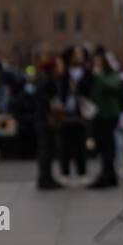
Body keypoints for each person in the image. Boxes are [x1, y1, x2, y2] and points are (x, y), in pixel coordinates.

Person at [87, 48, 122, 189]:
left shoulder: (110, 74)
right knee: (102, 146)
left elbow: (113, 86)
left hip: (109, 115)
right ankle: (108, 173)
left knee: (107, 145)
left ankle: (108, 175)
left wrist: (99, 76)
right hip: (98, 114)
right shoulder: (93, 75)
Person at [58, 47, 94, 179]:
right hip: (65, 111)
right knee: (65, 144)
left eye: (80, 55)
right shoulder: (64, 72)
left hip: (81, 112)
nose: (78, 57)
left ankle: (81, 171)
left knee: (81, 143)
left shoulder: (86, 73)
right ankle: (65, 171)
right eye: (75, 54)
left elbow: (89, 90)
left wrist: (77, 88)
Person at [33, 55, 64, 190]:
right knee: (46, 150)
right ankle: (45, 179)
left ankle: (47, 177)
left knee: (48, 150)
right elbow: (42, 97)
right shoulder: (47, 80)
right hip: (45, 119)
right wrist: (51, 107)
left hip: (45, 118)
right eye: (59, 65)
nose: (61, 68)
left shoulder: (50, 79)